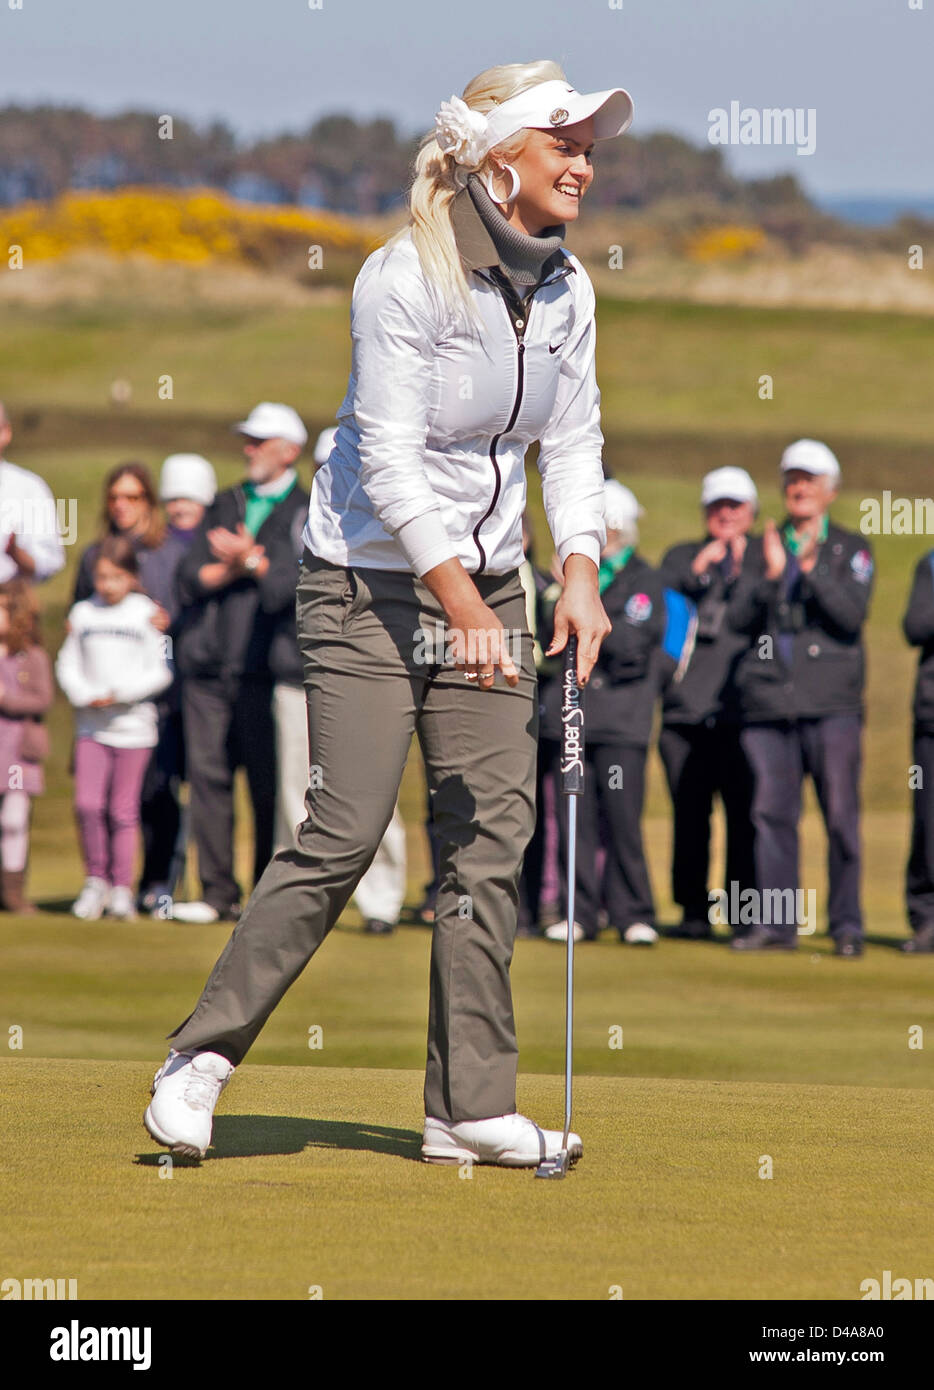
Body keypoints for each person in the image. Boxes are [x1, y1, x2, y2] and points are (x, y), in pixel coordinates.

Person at [144, 59, 633, 1168]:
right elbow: (389, 458)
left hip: (493, 582)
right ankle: (200, 1061)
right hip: (366, 583)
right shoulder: (401, 277)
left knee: (490, 835)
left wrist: (581, 567)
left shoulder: (568, 290)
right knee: (346, 827)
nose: (583, 163)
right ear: (501, 158)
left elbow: (574, 440)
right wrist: (454, 593)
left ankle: (465, 1102)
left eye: (591, 146)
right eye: (564, 143)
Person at [728, 439, 873, 956]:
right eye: (792, 478)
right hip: (768, 705)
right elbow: (736, 620)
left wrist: (810, 570)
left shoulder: (851, 550)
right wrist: (770, 577)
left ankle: (847, 927)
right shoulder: (761, 547)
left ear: (830, 490)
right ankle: (776, 925)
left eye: (809, 478)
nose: (799, 487)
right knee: (771, 815)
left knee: (840, 817)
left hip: (832, 705)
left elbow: (851, 618)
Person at [169, 403, 310, 924]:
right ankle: (216, 893)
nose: (248, 449)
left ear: (289, 450)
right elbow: (189, 576)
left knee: (269, 786)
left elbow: (286, 588)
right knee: (208, 781)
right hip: (208, 667)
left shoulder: (304, 509)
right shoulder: (227, 501)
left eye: (259, 441)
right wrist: (243, 565)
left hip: (266, 669)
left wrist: (247, 561)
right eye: (247, 440)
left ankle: (267, 898)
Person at [541, 480, 696, 946]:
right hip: (572, 717)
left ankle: (633, 912)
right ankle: (581, 912)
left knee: (623, 819)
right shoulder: (567, 579)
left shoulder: (646, 580)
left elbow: (634, 645)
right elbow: (549, 640)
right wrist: (563, 597)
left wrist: (586, 620)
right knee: (576, 820)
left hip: (623, 722)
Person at [658, 467, 757, 940]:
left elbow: (767, 606)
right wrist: (701, 571)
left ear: (751, 512)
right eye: (718, 506)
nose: (726, 514)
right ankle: (693, 912)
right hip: (684, 714)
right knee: (690, 818)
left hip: (742, 714)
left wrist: (741, 570)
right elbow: (665, 602)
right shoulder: (682, 557)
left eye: (734, 506)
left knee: (745, 818)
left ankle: (744, 914)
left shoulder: (763, 561)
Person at [56, 536, 173, 920]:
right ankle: (96, 881)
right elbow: (67, 664)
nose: (107, 585)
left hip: (134, 729)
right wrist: (84, 694)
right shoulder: (84, 614)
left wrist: (120, 695)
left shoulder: (146, 614)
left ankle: (122, 888)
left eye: (116, 577)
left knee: (123, 810)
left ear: (132, 577)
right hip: (91, 728)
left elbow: (162, 670)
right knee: (88, 805)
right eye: (101, 577)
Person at [137, 454, 218, 914]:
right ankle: (159, 882)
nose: (179, 506)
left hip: (204, 678)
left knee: (208, 784)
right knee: (159, 784)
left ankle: (211, 887)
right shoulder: (150, 546)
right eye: (172, 498)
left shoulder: (212, 542)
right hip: (157, 683)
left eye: (188, 497)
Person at [0, 578, 53, 911]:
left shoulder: (32, 657)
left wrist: (6, 698)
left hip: (18, 752)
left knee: (14, 820)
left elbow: (42, 700)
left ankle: (13, 892)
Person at [901, 549, 934, 953]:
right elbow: (915, 625)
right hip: (933, 713)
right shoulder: (930, 563)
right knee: (929, 820)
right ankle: (928, 917)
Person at [0, 401, 65, 585]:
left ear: (6, 432)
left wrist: (15, 554)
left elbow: (49, 561)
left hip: (10, 602)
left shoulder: (29, 488)